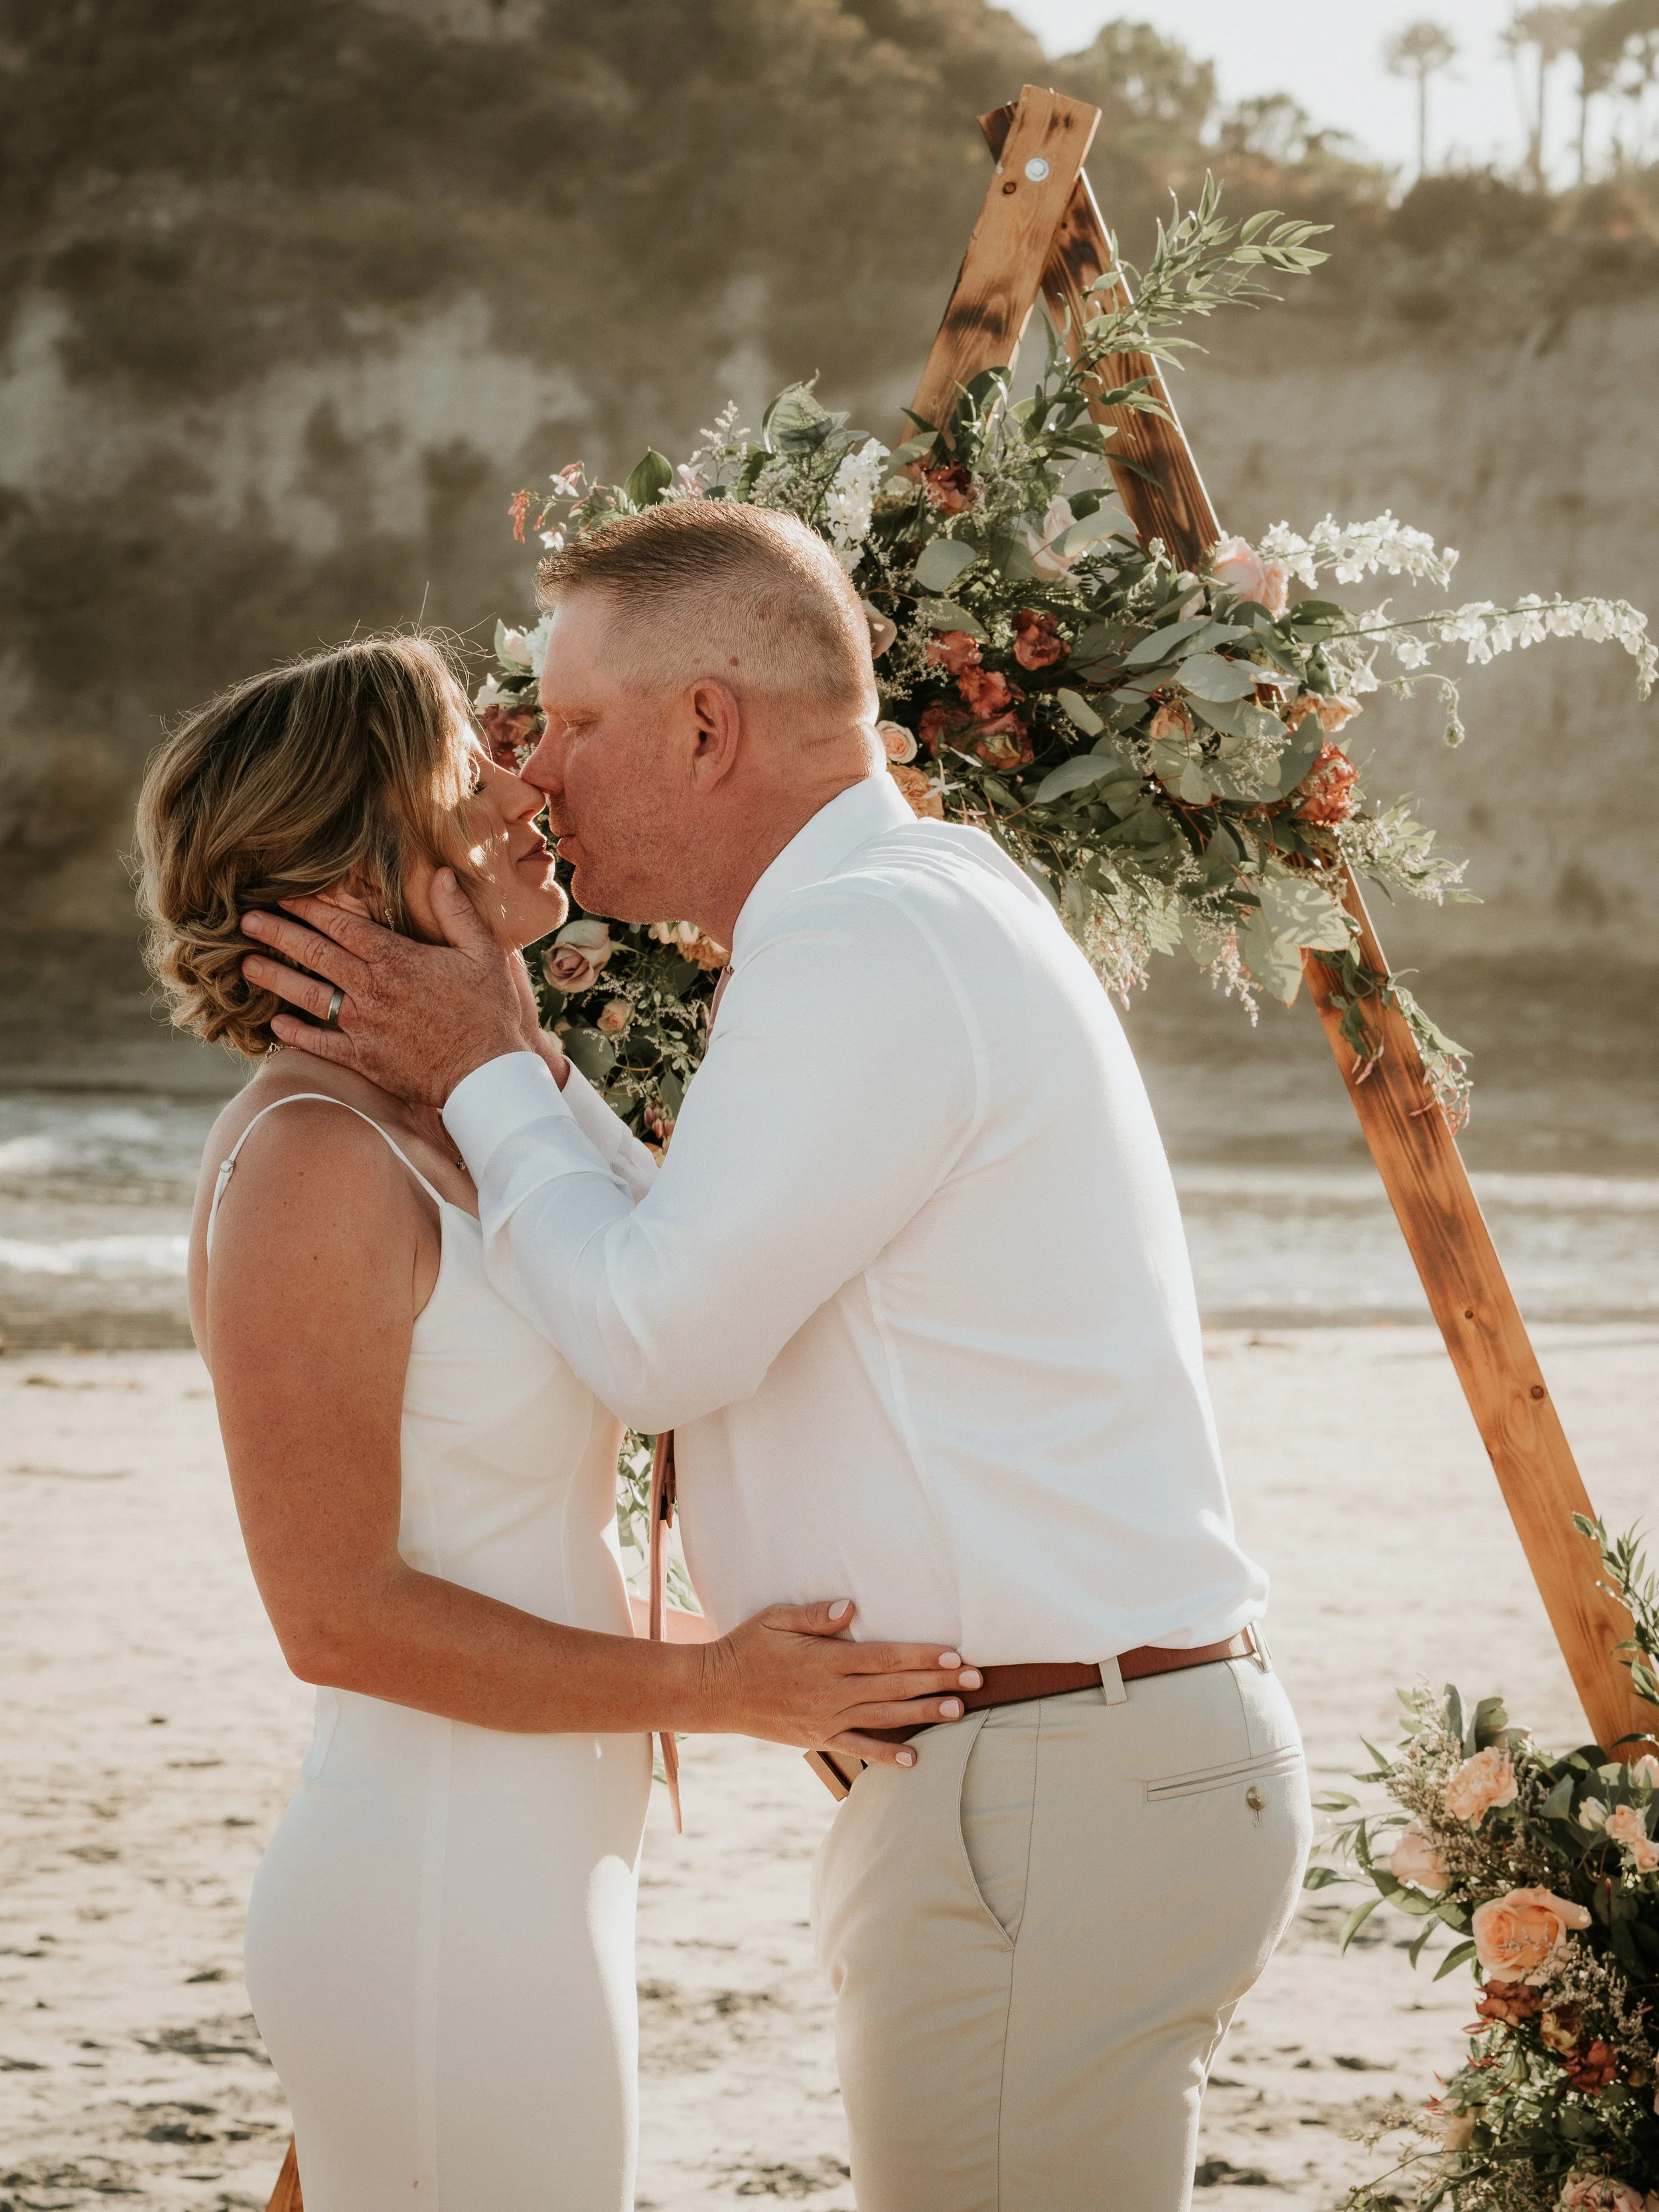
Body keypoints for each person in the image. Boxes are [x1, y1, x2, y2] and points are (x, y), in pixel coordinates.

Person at [242, 508, 1313, 2212]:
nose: (542, 776)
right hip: (1051, 1769)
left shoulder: (863, 944)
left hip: (1048, 1786)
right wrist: (502, 1052)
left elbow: (658, 1335)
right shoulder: (922, 898)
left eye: (573, 726)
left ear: (703, 725)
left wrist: (486, 1062)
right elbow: (678, 1258)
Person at [134, 632, 977, 2212]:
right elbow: (335, 1613)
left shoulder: (457, 1111)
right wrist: (722, 1688)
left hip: (529, 1862)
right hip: (440, 1873)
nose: (525, 787)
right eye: (464, 769)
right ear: (338, 868)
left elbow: (626, 1364)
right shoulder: (317, 1161)